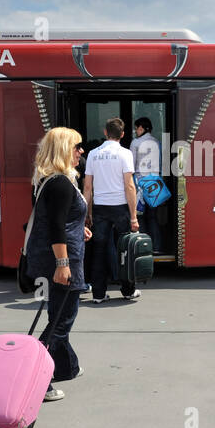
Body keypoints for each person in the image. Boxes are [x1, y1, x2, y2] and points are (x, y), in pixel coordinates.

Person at [25, 127, 92, 401]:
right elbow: (55, 226)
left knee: (59, 316)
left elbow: (60, 221)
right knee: (61, 321)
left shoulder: (47, 181)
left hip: (54, 257)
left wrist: (80, 228)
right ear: (65, 149)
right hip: (63, 262)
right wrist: (63, 264)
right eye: (77, 146)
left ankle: (67, 367)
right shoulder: (61, 184)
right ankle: (37, 380)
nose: (81, 151)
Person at [83, 117, 140, 303]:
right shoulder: (125, 154)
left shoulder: (92, 154)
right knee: (125, 250)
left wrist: (87, 214)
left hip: (99, 207)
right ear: (122, 134)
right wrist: (133, 216)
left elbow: (88, 188)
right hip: (121, 207)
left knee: (99, 250)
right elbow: (129, 186)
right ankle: (128, 290)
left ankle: (98, 294)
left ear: (105, 132)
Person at [130, 116, 163, 254]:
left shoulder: (136, 143)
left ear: (141, 128)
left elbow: (130, 165)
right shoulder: (157, 142)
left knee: (140, 216)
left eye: (136, 128)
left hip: (140, 184)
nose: (136, 131)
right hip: (155, 183)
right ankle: (156, 247)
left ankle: (143, 248)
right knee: (153, 217)